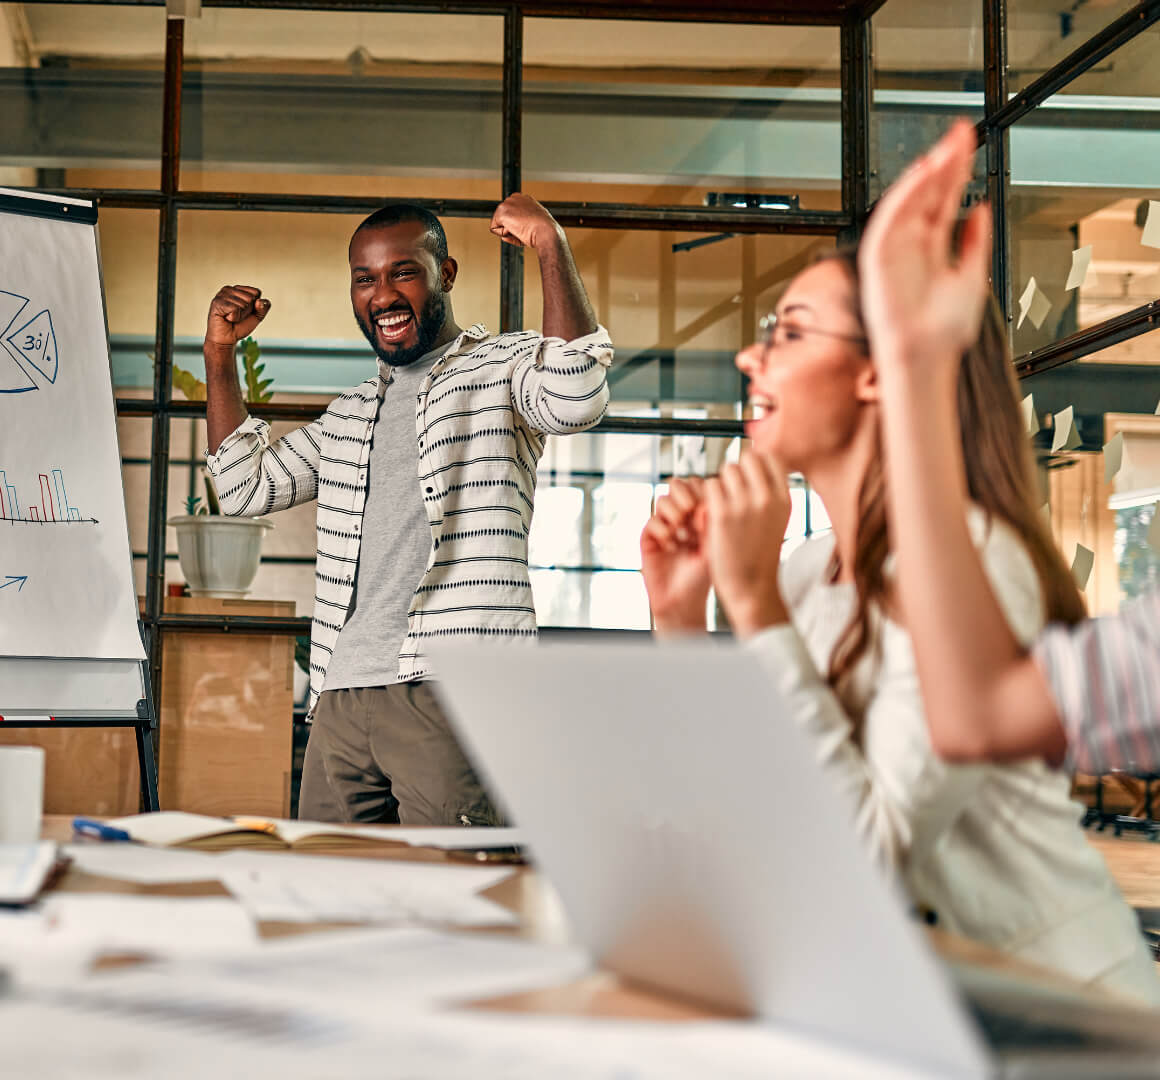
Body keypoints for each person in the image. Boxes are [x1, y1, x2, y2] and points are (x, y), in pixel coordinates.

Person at [638, 227, 1160, 1000]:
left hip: (1064, 1019)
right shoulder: (807, 572)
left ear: (882, 372)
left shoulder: (972, 563)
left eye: (788, 333)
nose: (751, 360)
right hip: (916, 1007)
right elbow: (748, 819)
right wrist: (681, 619)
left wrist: (754, 607)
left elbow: (866, 861)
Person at [204, 198, 611, 826]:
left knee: (454, 899)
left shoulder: (500, 367)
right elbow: (244, 489)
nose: (382, 293)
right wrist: (219, 356)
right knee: (329, 900)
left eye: (403, 272)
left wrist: (550, 244)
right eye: (364, 279)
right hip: (341, 695)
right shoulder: (349, 414)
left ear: (445, 273)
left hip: (453, 687)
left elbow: (576, 394)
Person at [861, 119, 1160, 777]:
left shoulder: (989, 556)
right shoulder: (817, 568)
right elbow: (979, 715)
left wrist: (916, 363)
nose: (752, 358)